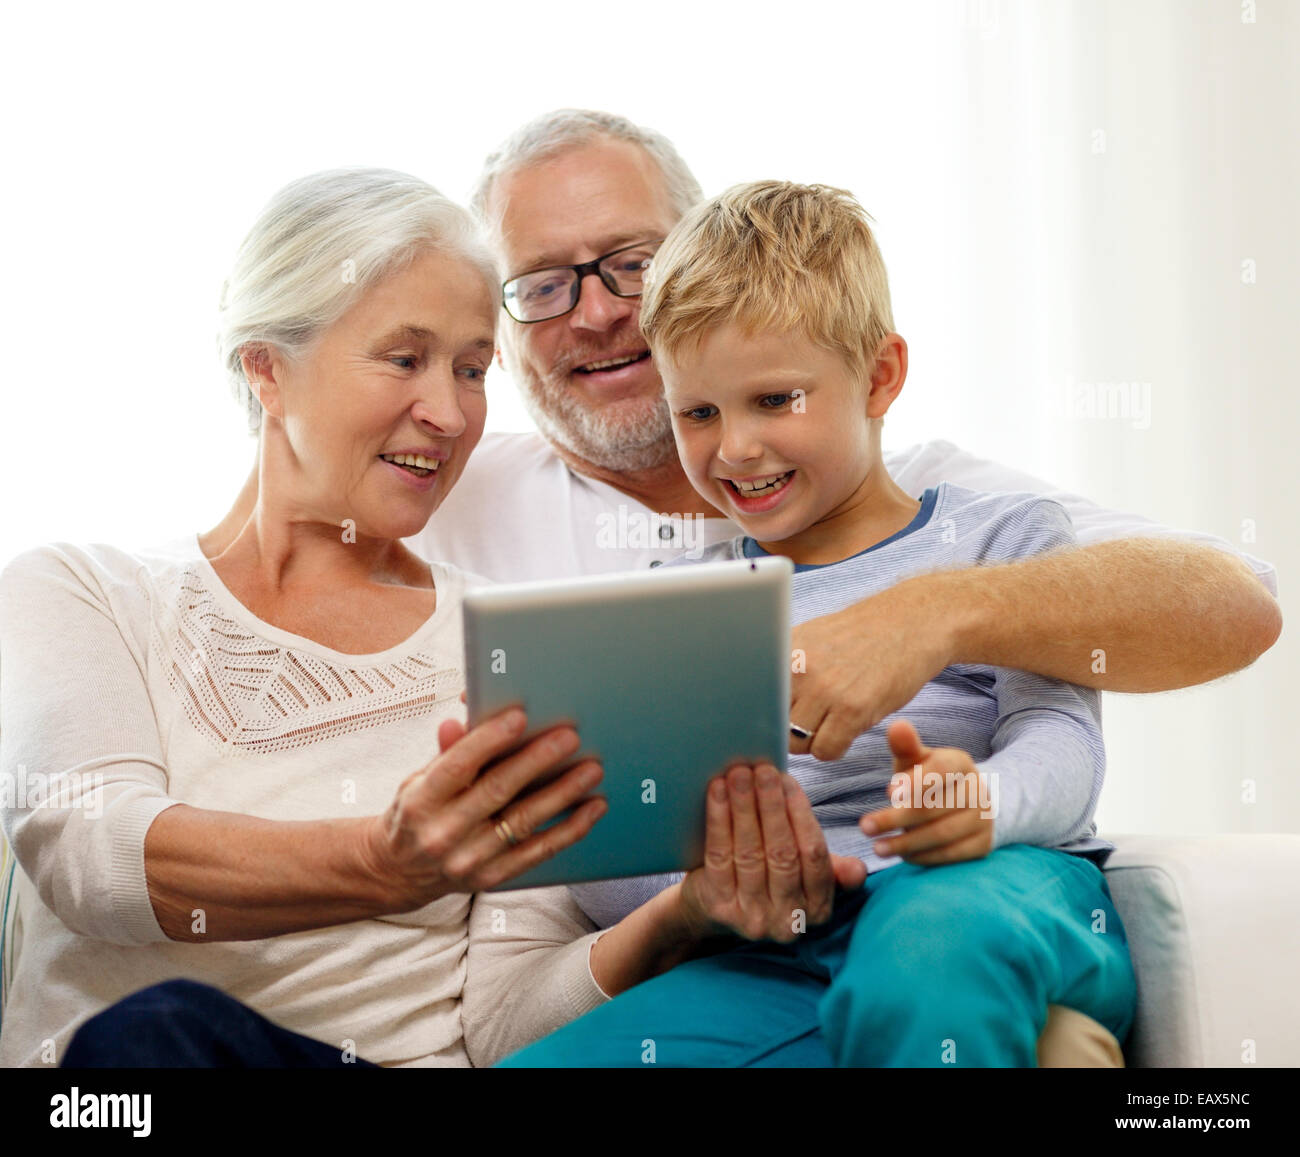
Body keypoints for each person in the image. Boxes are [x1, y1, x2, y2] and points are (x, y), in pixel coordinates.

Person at [0, 167, 849, 1068]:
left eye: (473, 370)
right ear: (268, 371)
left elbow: (504, 1024)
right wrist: (384, 860)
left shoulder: (500, 647)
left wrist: (682, 915)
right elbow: (89, 855)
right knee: (153, 1036)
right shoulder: (83, 593)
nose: (448, 413)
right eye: (405, 359)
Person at [505, 179, 1135, 1066]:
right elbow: (619, 866)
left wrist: (980, 803)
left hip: (986, 888)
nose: (734, 449)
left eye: (774, 401)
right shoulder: (676, 599)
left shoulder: (1001, 534)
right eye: (698, 412)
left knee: (924, 968)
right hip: (778, 945)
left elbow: (1065, 740)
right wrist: (707, 886)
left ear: (879, 377)